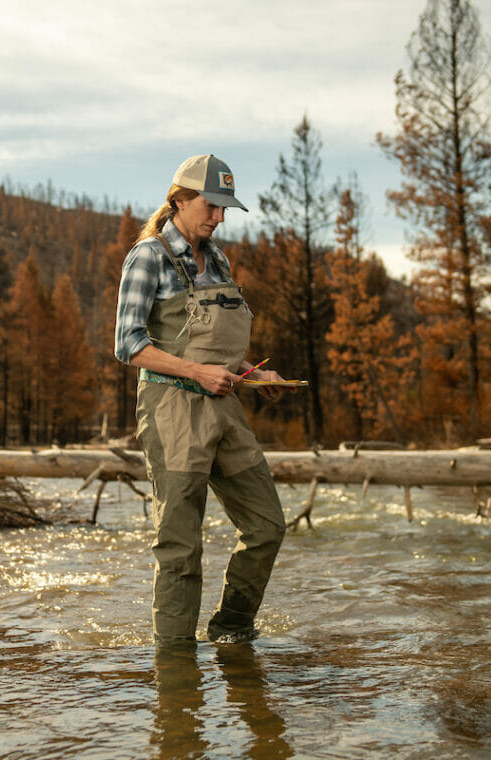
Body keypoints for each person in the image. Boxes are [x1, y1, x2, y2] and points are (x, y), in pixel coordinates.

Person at [114, 154, 289, 645]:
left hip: (224, 409)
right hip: (172, 410)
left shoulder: (219, 259)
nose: (219, 218)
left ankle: (231, 628)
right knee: (180, 547)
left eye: (224, 209)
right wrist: (196, 373)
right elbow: (128, 344)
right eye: (211, 206)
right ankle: (176, 671)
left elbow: (220, 349)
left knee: (266, 526)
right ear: (179, 201)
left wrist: (254, 374)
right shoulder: (148, 256)